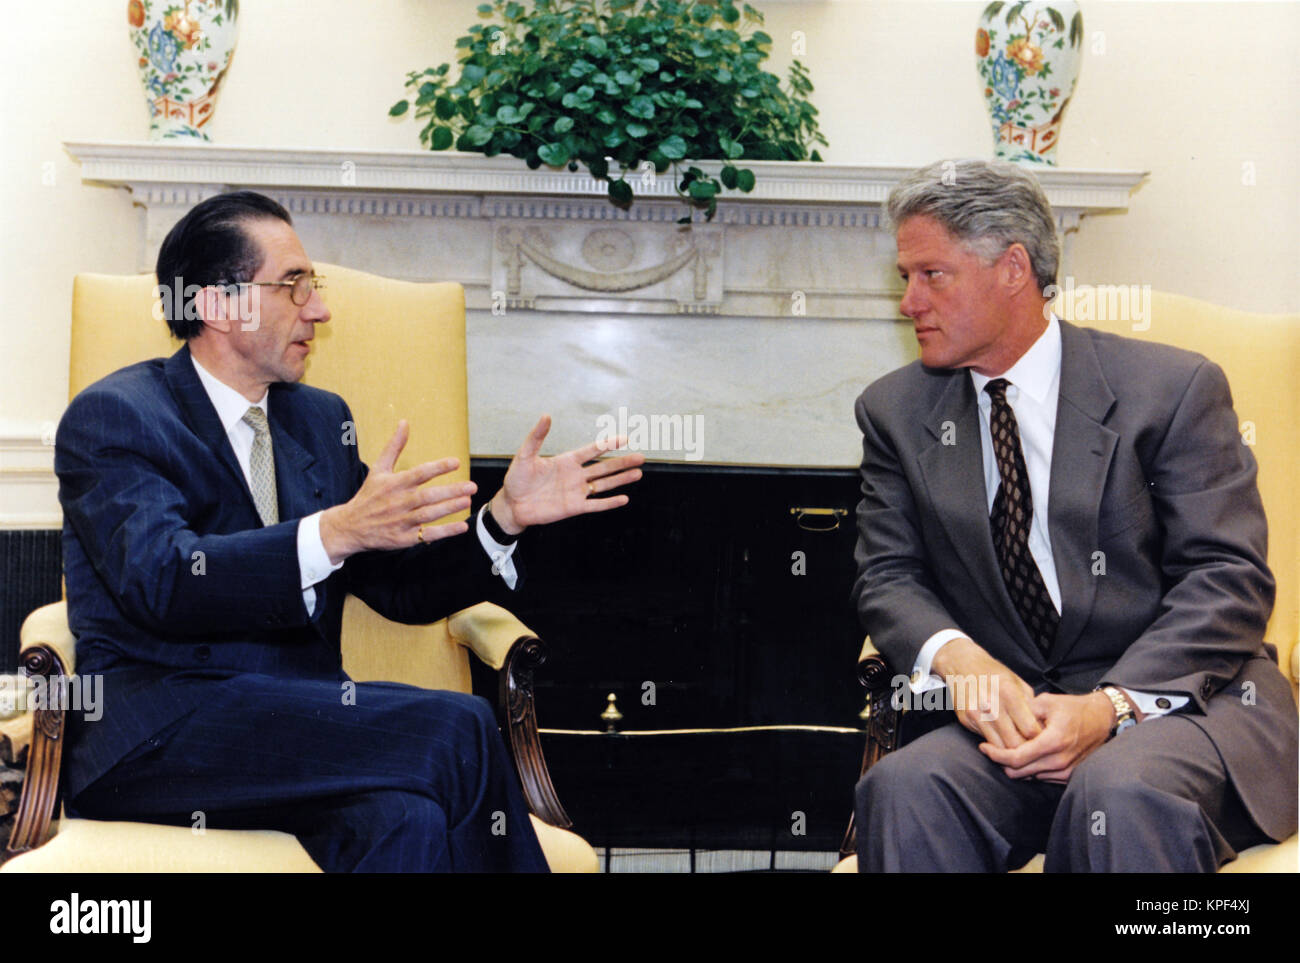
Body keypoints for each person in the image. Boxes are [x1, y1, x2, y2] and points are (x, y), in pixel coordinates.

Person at [55, 190, 645, 872]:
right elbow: (164, 579)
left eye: (315, 285)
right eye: (293, 285)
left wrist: (503, 520)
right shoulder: (117, 417)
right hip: (158, 734)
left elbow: (398, 585)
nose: (319, 308)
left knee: (408, 819)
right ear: (218, 304)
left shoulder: (316, 420)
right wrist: (331, 533)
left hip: (299, 735)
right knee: (461, 725)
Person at [851, 159, 1298, 872]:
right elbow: (888, 576)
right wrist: (962, 661)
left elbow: (1227, 577)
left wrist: (1109, 707)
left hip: (1184, 705)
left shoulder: (1171, 388)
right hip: (1013, 723)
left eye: (931, 275)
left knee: (1118, 790)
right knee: (903, 787)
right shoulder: (896, 412)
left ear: (1012, 269)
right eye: (905, 276)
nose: (909, 301)